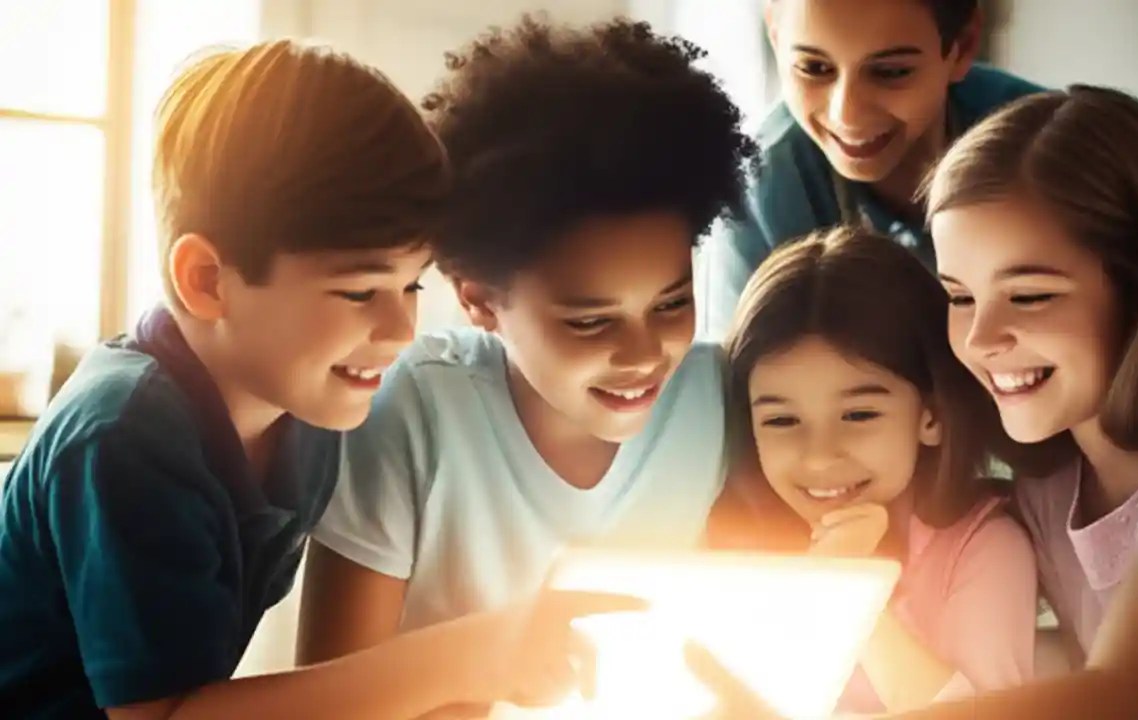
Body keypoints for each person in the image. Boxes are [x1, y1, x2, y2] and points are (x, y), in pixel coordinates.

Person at [0, 40, 632, 720]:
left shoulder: (305, 407)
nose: (400, 329)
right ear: (207, 281)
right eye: (360, 292)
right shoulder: (128, 438)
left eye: (411, 283)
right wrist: (465, 655)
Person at [703, 85, 1138, 720]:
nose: (980, 339)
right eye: (960, 296)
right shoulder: (1049, 480)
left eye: (1029, 296)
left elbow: (1125, 695)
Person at [297, 17, 756, 712]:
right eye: (589, 321)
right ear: (480, 301)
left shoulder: (719, 399)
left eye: (671, 303)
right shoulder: (409, 413)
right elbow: (330, 700)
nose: (642, 354)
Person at [720, 226, 1035, 714]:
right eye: (782, 420)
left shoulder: (983, 547)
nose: (821, 456)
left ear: (931, 415)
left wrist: (848, 590)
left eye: (859, 415)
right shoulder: (736, 552)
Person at [697, 0, 1043, 337]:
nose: (846, 116)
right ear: (775, 35)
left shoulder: (1049, 147)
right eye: (814, 68)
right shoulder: (756, 189)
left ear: (962, 45)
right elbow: (741, 381)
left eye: (891, 72)